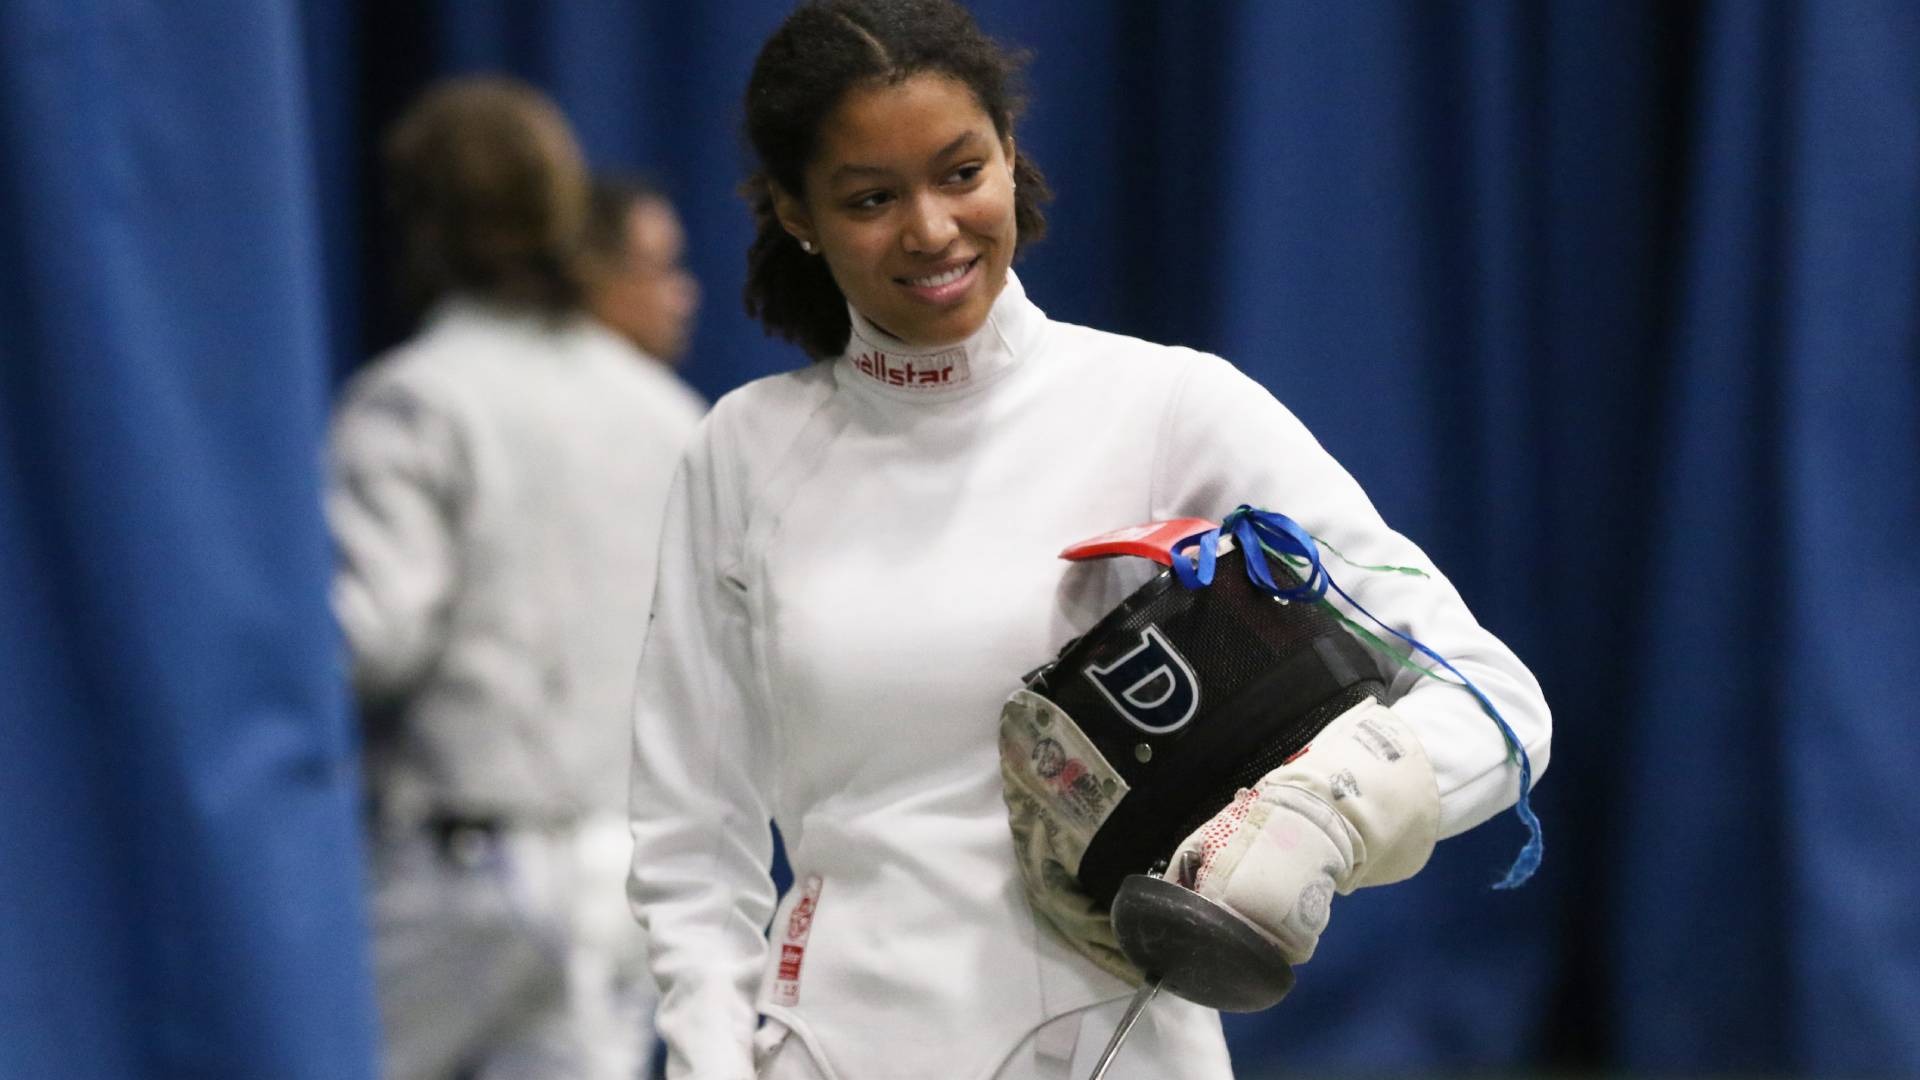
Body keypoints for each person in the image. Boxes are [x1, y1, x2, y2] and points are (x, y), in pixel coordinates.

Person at [625, 3, 1552, 1078]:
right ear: (797, 212)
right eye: (872, 199)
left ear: (1010, 154)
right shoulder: (745, 452)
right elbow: (693, 843)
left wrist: (1322, 812)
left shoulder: (1170, 409)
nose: (931, 229)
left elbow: (1493, 700)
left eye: (961, 172)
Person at [329, 77, 703, 1080]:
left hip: (460, 880)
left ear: (423, 222)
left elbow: (374, 635)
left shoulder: (417, 399)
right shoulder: (664, 412)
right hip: (616, 877)